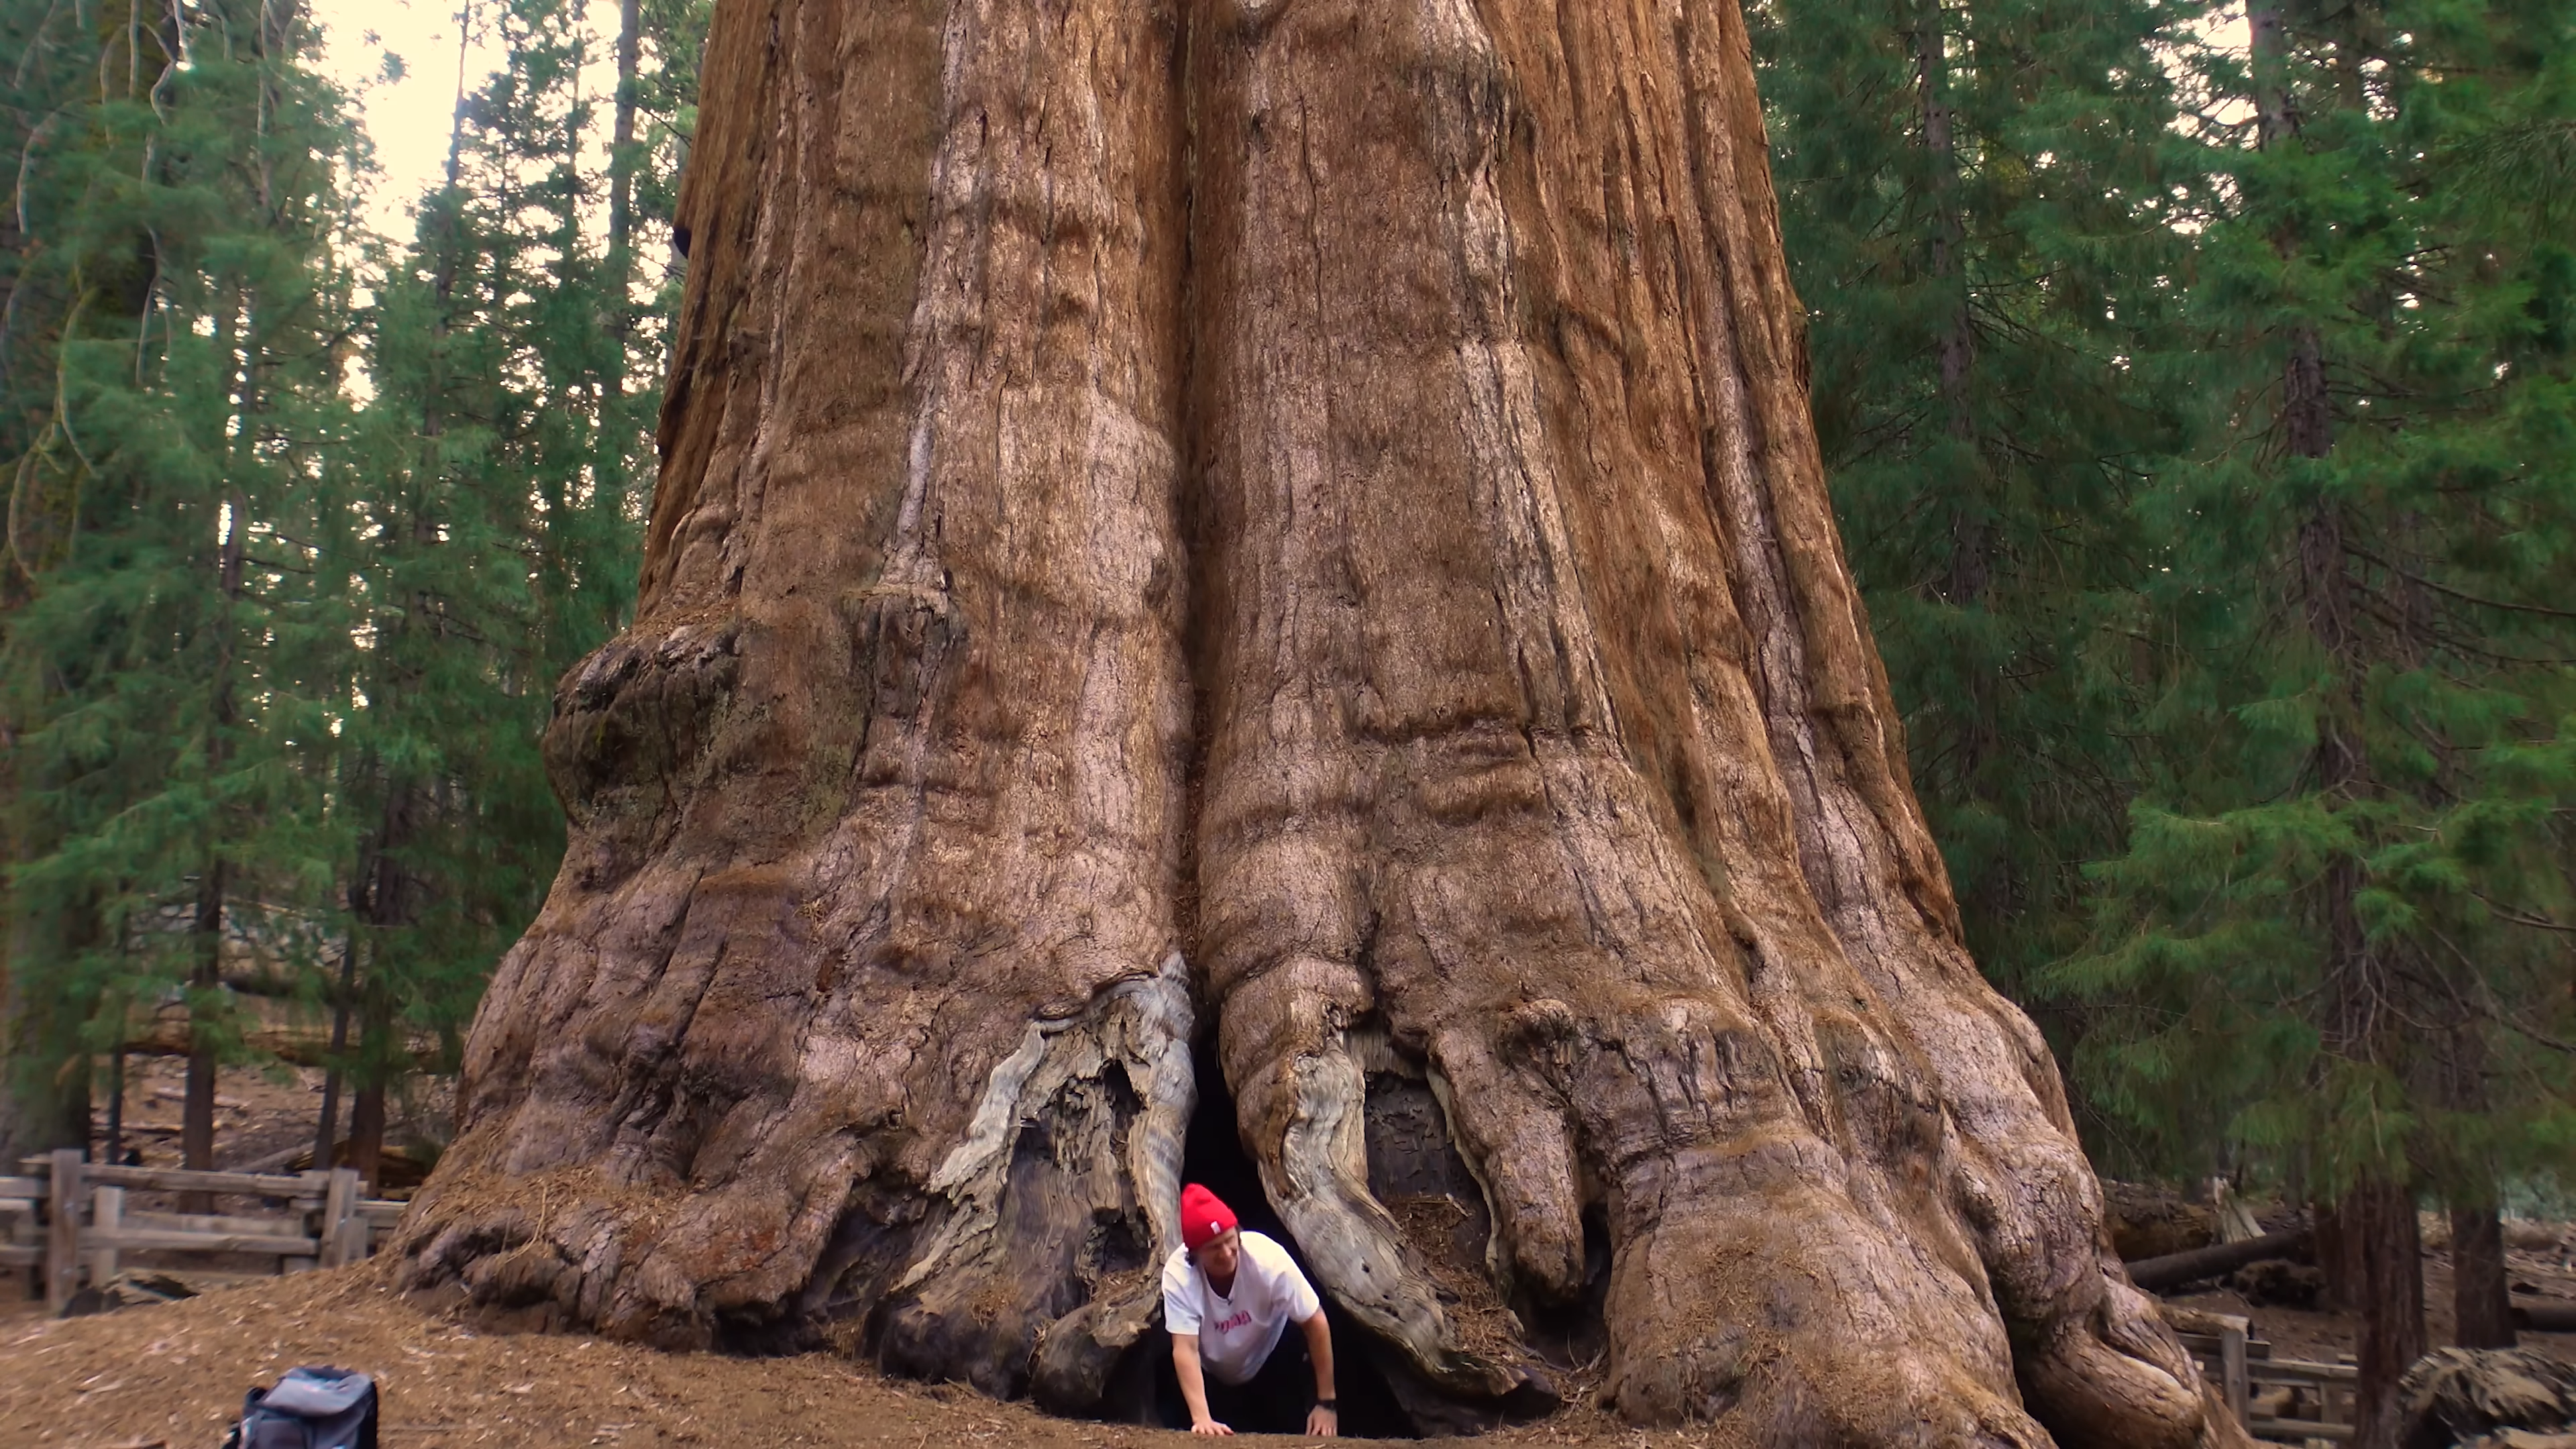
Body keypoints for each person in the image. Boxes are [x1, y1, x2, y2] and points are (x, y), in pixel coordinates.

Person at [1162, 1183, 1338, 1438]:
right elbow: (1185, 1348)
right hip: (1212, 1371)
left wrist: (1327, 1403)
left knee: (1287, 1422)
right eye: (1214, 1248)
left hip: (1272, 1354)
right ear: (1195, 1253)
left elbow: (1315, 1320)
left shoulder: (1267, 1258)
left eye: (1229, 1240)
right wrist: (1202, 1419)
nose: (1226, 1253)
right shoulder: (1179, 1275)